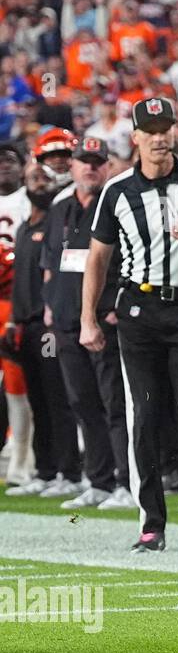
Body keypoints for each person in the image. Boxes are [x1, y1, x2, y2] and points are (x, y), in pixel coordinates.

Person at [80, 97, 178, 552]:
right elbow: (98, 258)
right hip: (138, 313)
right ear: (134, 138)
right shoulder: (118, 191)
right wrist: (87, 319)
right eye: (150, 129)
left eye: (165, 127)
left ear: (174, 131)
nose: (159, 136)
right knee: (145, 418)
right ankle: (152, 521)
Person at [40, 135, 133, 510]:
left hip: (104, 321)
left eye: (97, 161)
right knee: (82, 403)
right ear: (73, 166)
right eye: (84, 160)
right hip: (65, 321)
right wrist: (51, 307)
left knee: (114, 404)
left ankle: (127, 482)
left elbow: (129, 261)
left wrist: (112, 308)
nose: (90, 167)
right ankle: (99, 481)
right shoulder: (61, 209)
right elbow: (50, 265)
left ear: (108, 167)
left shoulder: (116, 206)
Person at [7, 141, 82, 498]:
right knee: (38, 399)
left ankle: (69, 471)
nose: (38, 185)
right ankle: (45, 468)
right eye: (33, 180)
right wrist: (14, 321)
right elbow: (21, 283)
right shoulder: (24, 227)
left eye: (42, 181)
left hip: (50, 324)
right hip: (26, 325)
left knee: (57, 399)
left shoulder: (56, 223)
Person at [0, 139, 34, 488]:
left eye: (9, 159)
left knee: (17, 384)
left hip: (14, 301)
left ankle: (21, 459)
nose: (3, 166)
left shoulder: (30, 201)